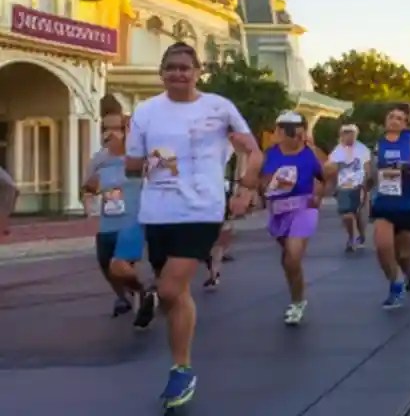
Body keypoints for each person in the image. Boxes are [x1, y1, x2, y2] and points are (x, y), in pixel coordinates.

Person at [126, 42, 262, 409]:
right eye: (171, 67)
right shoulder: (147, 111)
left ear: (197, 71)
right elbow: (131, 165)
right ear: (161, 73)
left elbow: (254, 152)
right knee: (178, 294)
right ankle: (180, 368)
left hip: (202, 208)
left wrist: (246, 191)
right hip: (158, 211)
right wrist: (154, 161)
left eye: (185, 67)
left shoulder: (218, 108)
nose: (178, 74)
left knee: (169, 289)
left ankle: (181, 365)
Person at [81, 111, 158, 328]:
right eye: (105, 128)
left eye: (115, 128)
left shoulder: (141, 157)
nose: (110, 133)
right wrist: (89, 198)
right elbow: (88, 186)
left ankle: (143, 292)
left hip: (134, 219)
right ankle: (126, 296)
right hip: (107, 220)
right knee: (106, 264)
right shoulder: (99, 159)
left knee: (121, 265)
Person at [257, 111, 334, 325]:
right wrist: (267, 189)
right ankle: (296, 292)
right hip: (279, 209)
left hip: (303, 208)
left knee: (293, 255)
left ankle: (297, 302)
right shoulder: (271, 153)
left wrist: (319, 194)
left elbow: (326, 174)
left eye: (292, 130)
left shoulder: (311, 153)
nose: (283, 133)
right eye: (282, 128)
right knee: (288, 259)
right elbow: (262, 180)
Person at [366, 103, 410, 309]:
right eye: (391, 116)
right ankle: (395, 285)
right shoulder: (377, 146)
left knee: (404, 253)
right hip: (384, 202)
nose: (394, 120)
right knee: (383, 246)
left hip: (407, 204)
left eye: (399, 118)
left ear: (405, 124)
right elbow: (371, 174)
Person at [329, 123, 371, 252]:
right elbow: (332, 169)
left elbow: (367, 167)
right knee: (347, 214)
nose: (348, 136)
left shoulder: (362, 149)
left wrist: (366, 185)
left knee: (357, 213)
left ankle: (361, 235)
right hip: (343, 186)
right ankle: (352, 237)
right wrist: (333, 187)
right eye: (345, 133)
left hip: (358, 184)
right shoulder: (337, 151)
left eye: (351, 133)